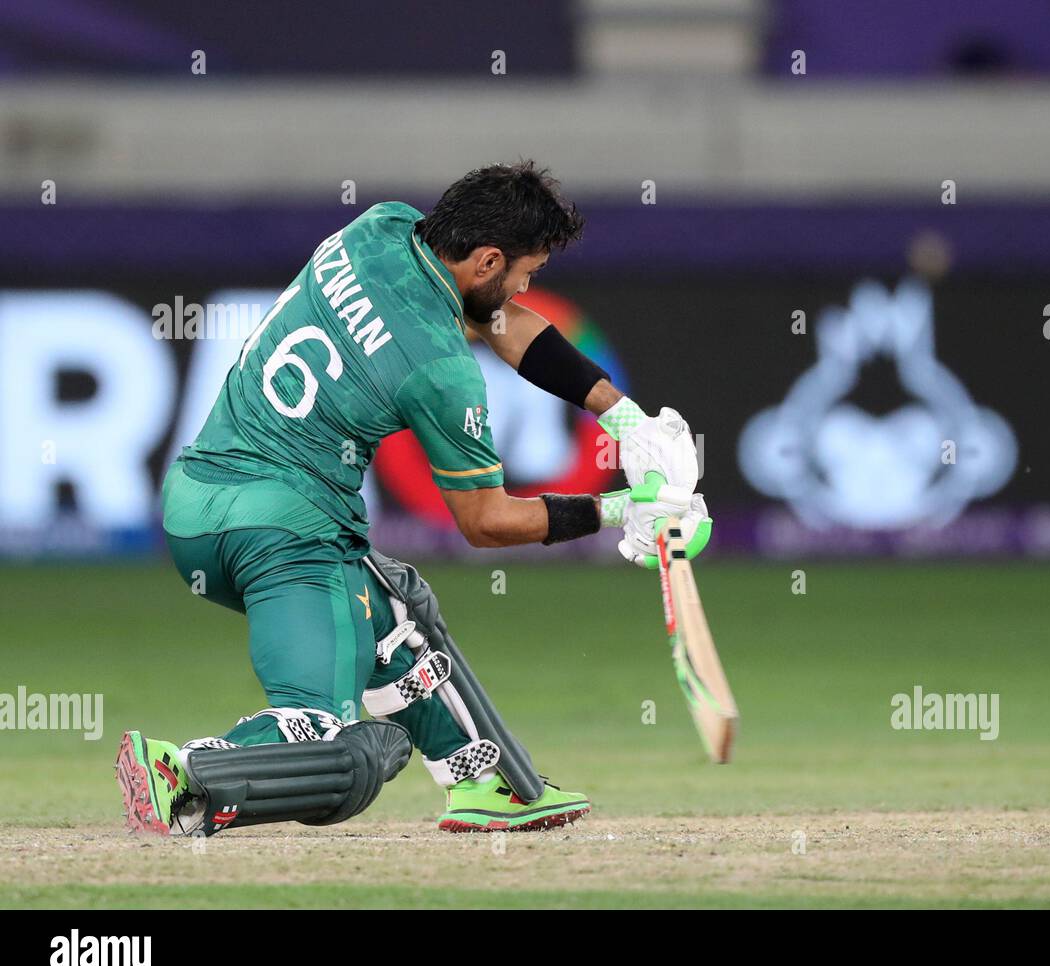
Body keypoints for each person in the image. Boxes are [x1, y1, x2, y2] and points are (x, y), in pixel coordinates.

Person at [114, 161, 708, 837]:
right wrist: (617, 510)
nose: (524, 288)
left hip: (196, 505)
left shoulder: (381, 227)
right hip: (283, 533)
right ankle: (180, 769)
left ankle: (481, 780)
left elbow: (499, 319)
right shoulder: (441, 371)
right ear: (488, 260)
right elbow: (484, 522)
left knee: (396, 612)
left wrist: (622, 416)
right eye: (526, 272)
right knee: (328, 744)